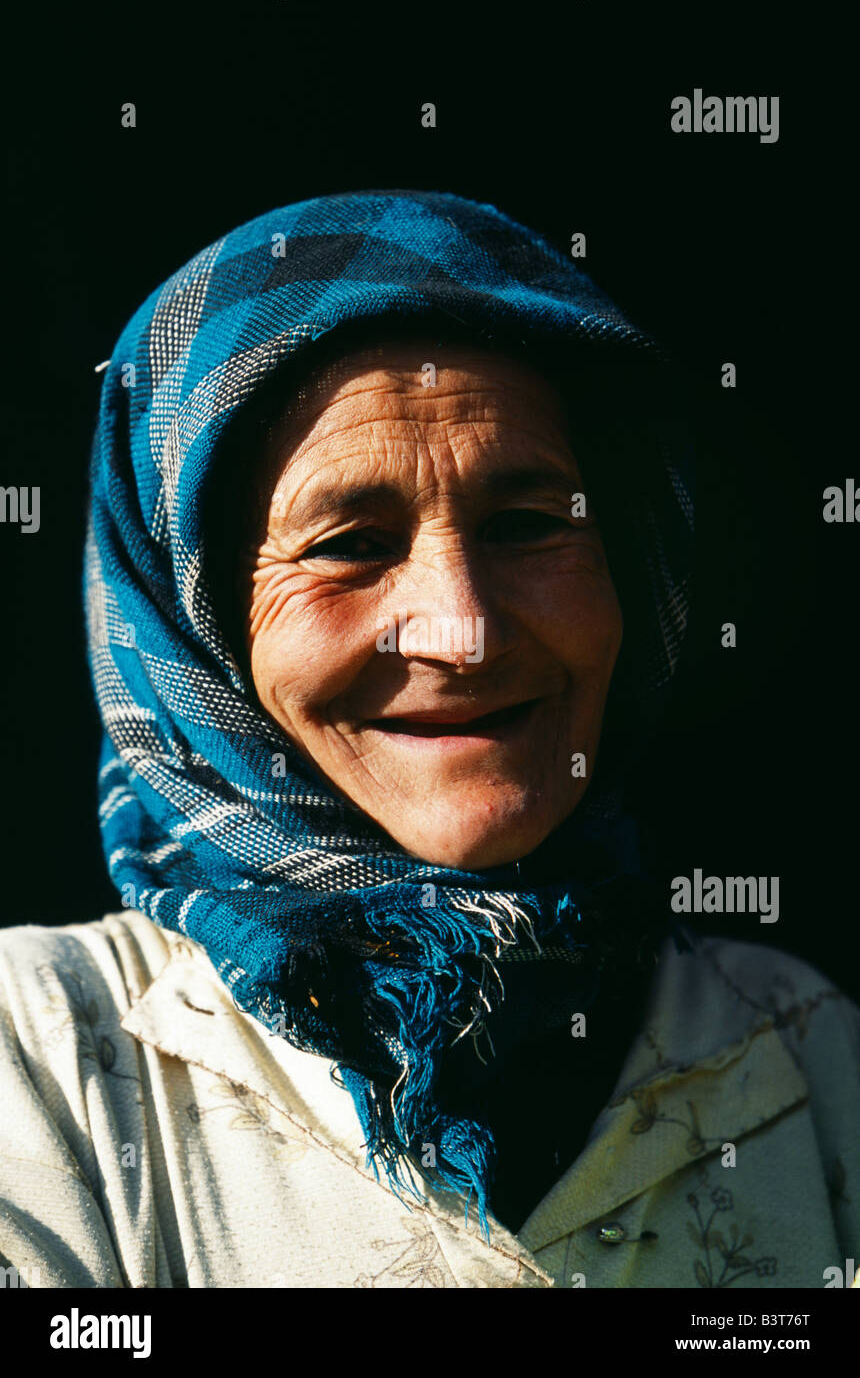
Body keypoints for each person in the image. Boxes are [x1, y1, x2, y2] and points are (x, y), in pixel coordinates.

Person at [0, 189, 857, 1289]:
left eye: (526, 524)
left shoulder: (797, 1051)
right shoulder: (44, 1061)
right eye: (348, 543)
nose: (463, 630)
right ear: (187, 612)